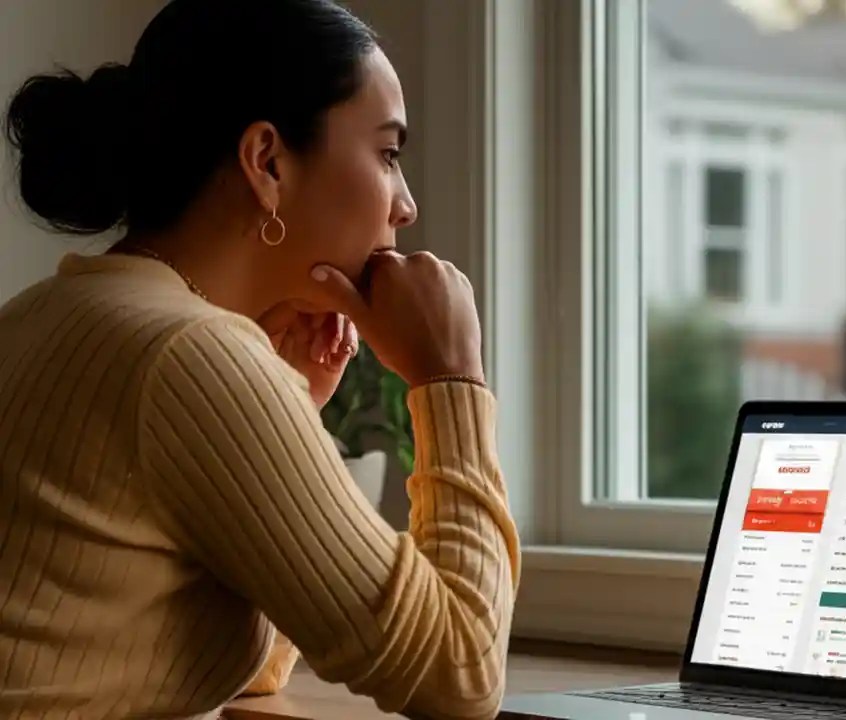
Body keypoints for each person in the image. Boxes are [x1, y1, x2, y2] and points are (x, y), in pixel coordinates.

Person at [0, 0, 519, 718]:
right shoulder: (192, 356)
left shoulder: (36, 316)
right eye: (388, 154)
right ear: (267, 162)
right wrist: (452, 377)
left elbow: (242, 670)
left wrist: (293, 407)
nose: (406, 206)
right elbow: (461, 675)